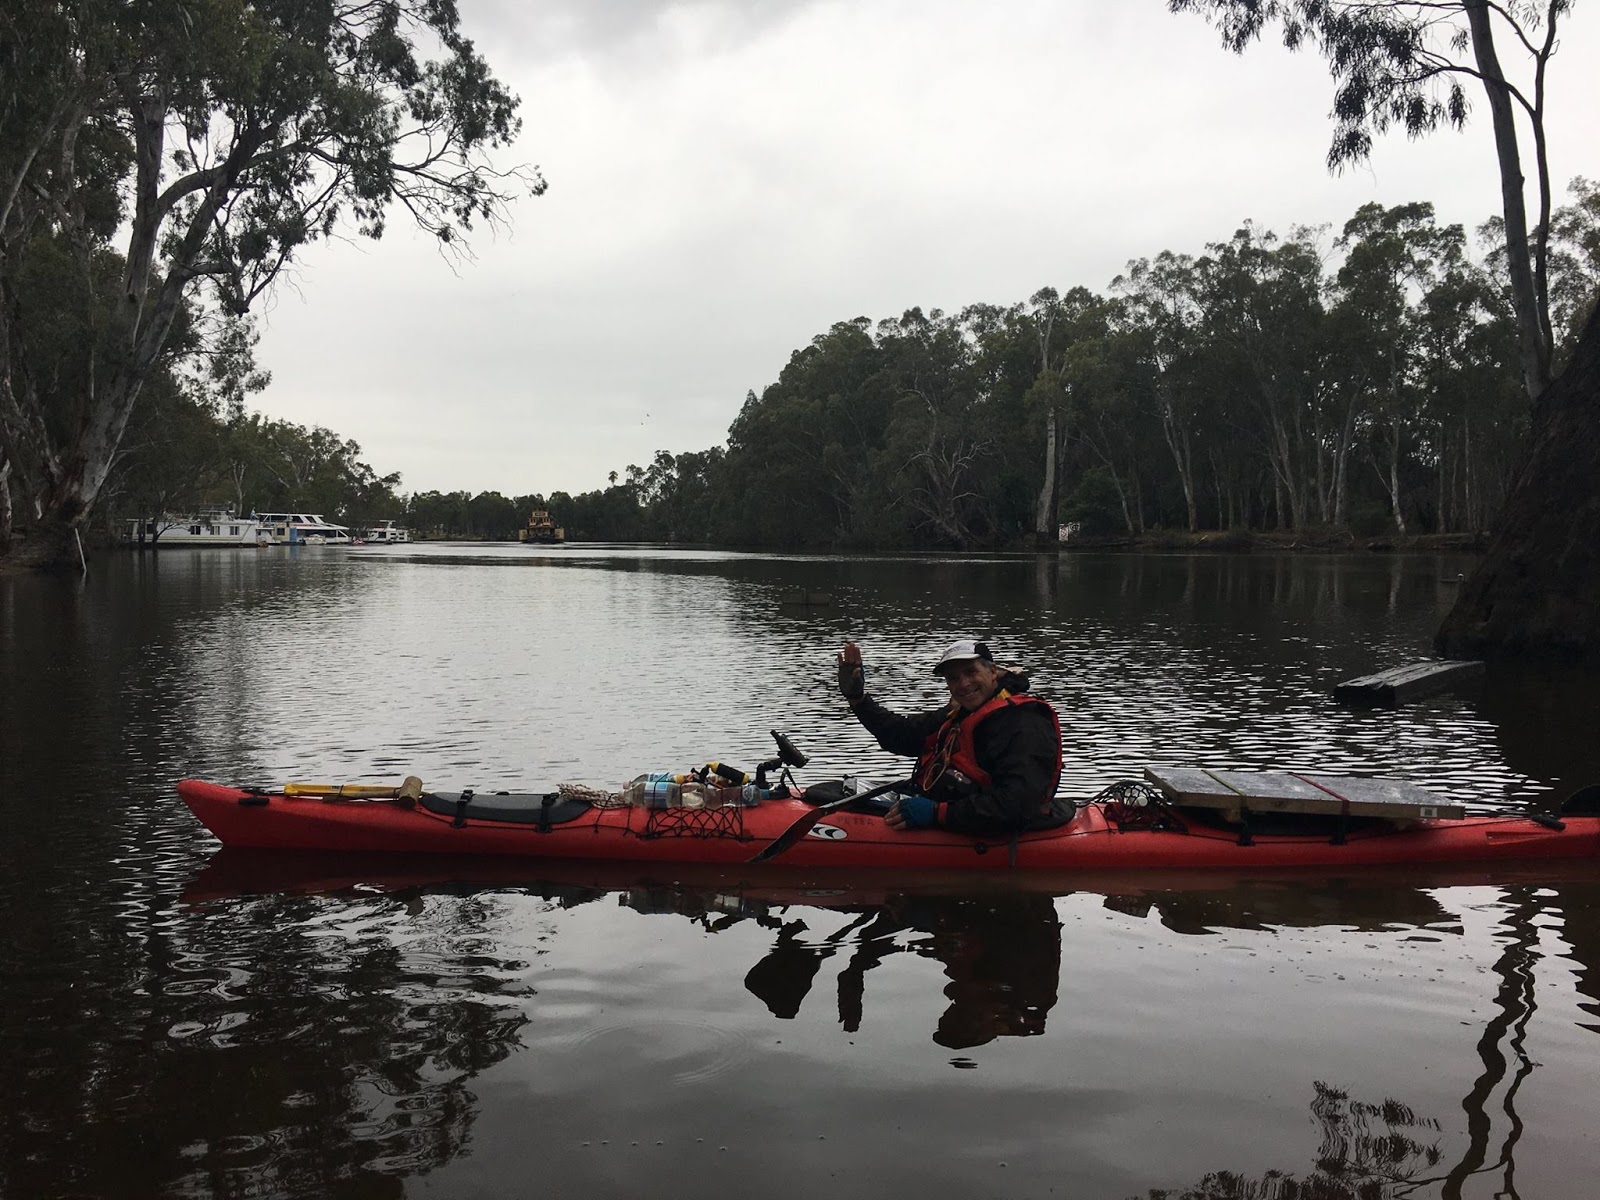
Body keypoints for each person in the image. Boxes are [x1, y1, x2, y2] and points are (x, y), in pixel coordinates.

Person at [836, 639, 1071, 834]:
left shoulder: (1025, 723)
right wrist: (858, 699)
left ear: (992, 672)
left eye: (971, 672)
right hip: (956, 813)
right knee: (832, 792)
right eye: (953, 678)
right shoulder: (961, 713)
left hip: (1005, 829)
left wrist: (937, 813)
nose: (963, 684)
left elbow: (1018, 804)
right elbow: (902, 735)